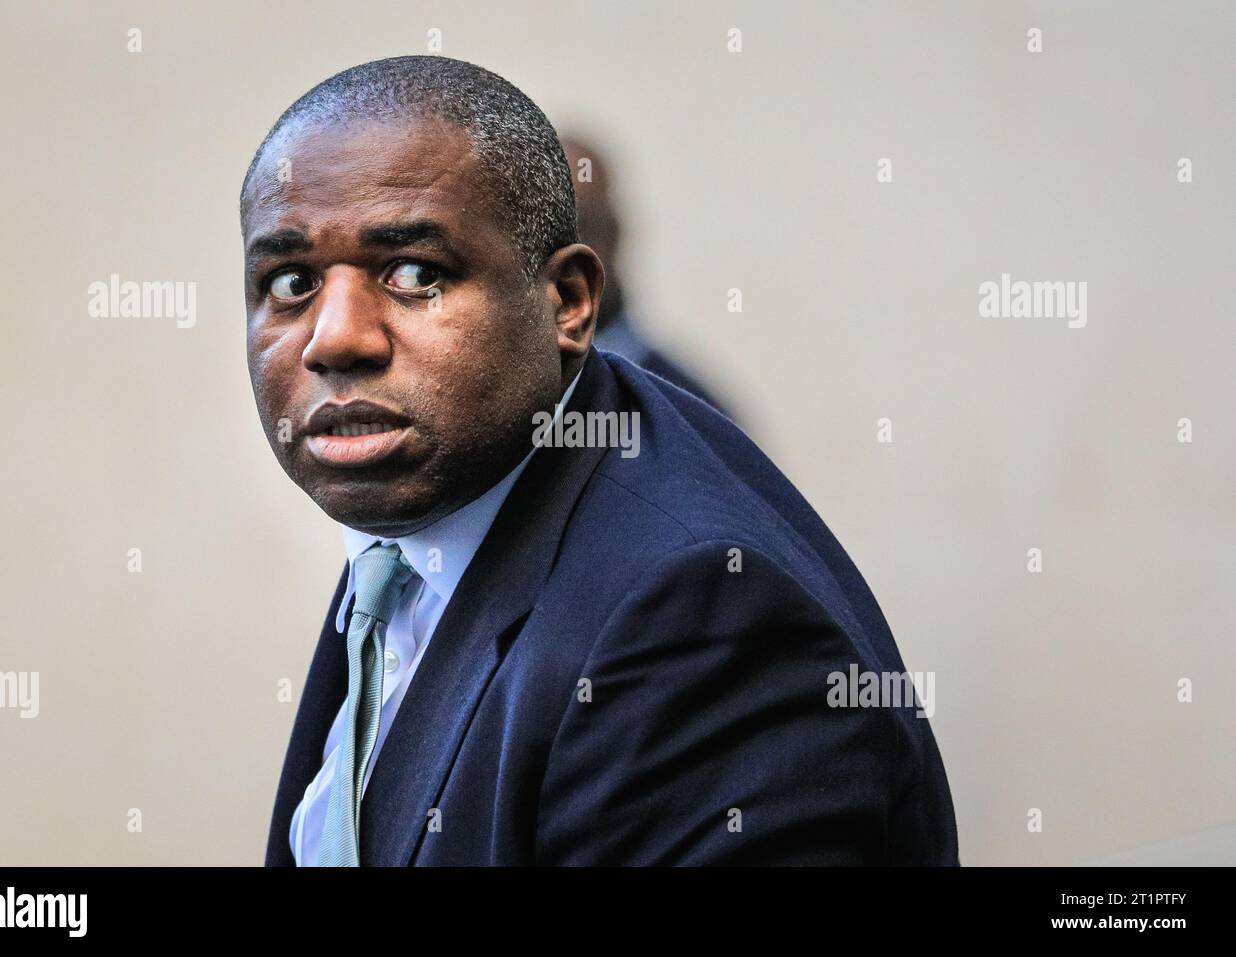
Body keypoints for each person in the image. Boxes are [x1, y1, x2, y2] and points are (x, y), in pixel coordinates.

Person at [241, 55, 958, 865]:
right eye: (292, 280)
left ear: (567, 303)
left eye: (415, 274)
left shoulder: (695, 617)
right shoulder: (419, 522)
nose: (334, 338)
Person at [559, 132, 732, 416]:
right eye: (542, 235)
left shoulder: (691, 413)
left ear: (615, 234)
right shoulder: (486, 399)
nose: (562, 257)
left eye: (583, 226)